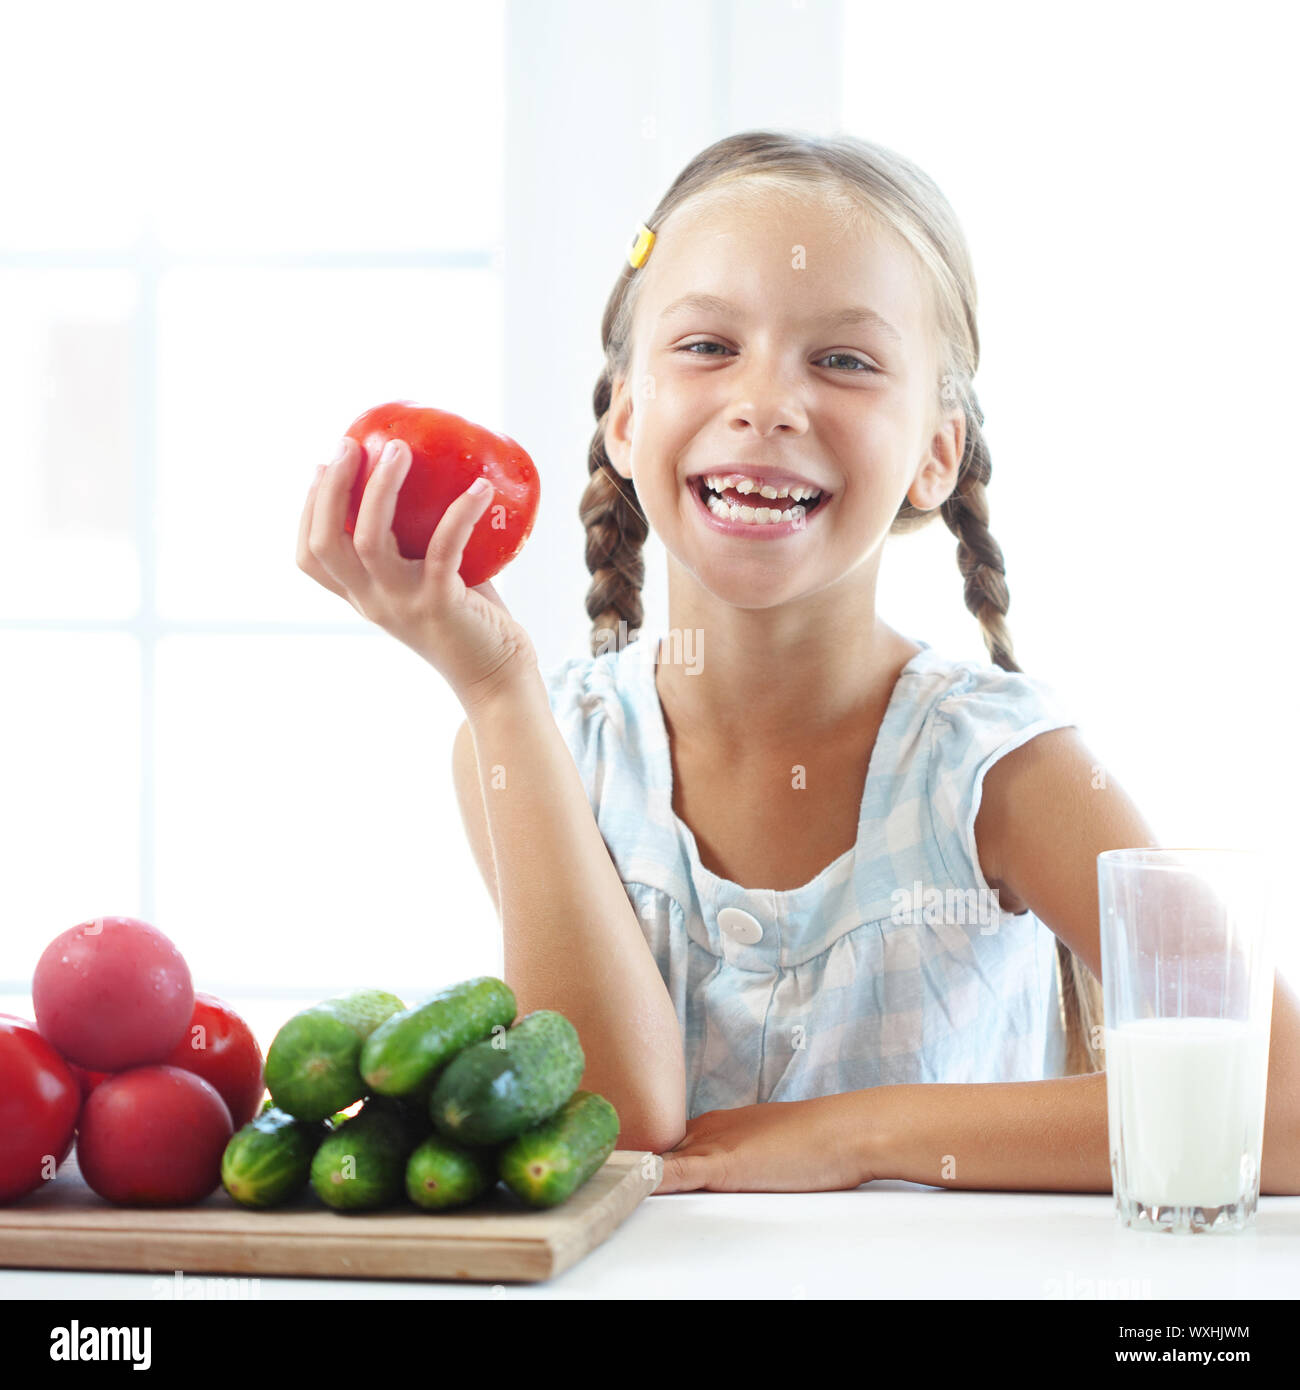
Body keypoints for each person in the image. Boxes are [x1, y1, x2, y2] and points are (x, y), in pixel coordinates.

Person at [297, 130, 1300, 1197]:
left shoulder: (996, 767)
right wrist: (495, 690)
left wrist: (848, 1133)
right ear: (627, 423)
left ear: (935, 453)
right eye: (705, 346)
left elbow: (1277, 1105)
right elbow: (620, 1119)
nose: (766, 401)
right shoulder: (545, 745)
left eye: (845, 360)